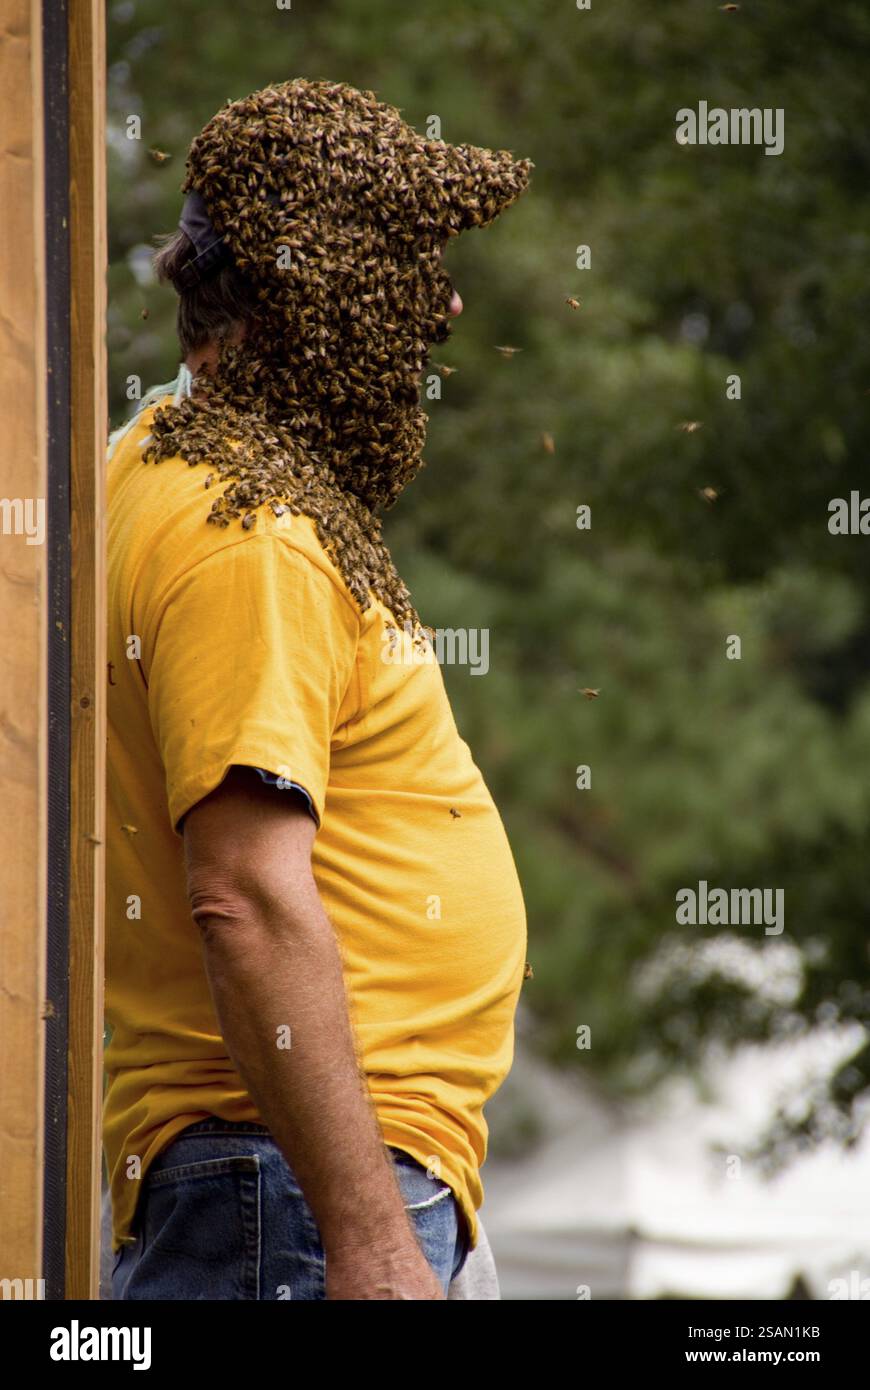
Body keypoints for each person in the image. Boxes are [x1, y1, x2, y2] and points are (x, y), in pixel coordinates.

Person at [106, 77, 532, 1301]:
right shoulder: (250, 538)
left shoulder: (159, 458)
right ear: (320, 283)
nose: (446, 305)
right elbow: (241, 892)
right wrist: (370, 1239)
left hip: (289, 1187)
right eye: (414, 263)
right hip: (291, 1198)